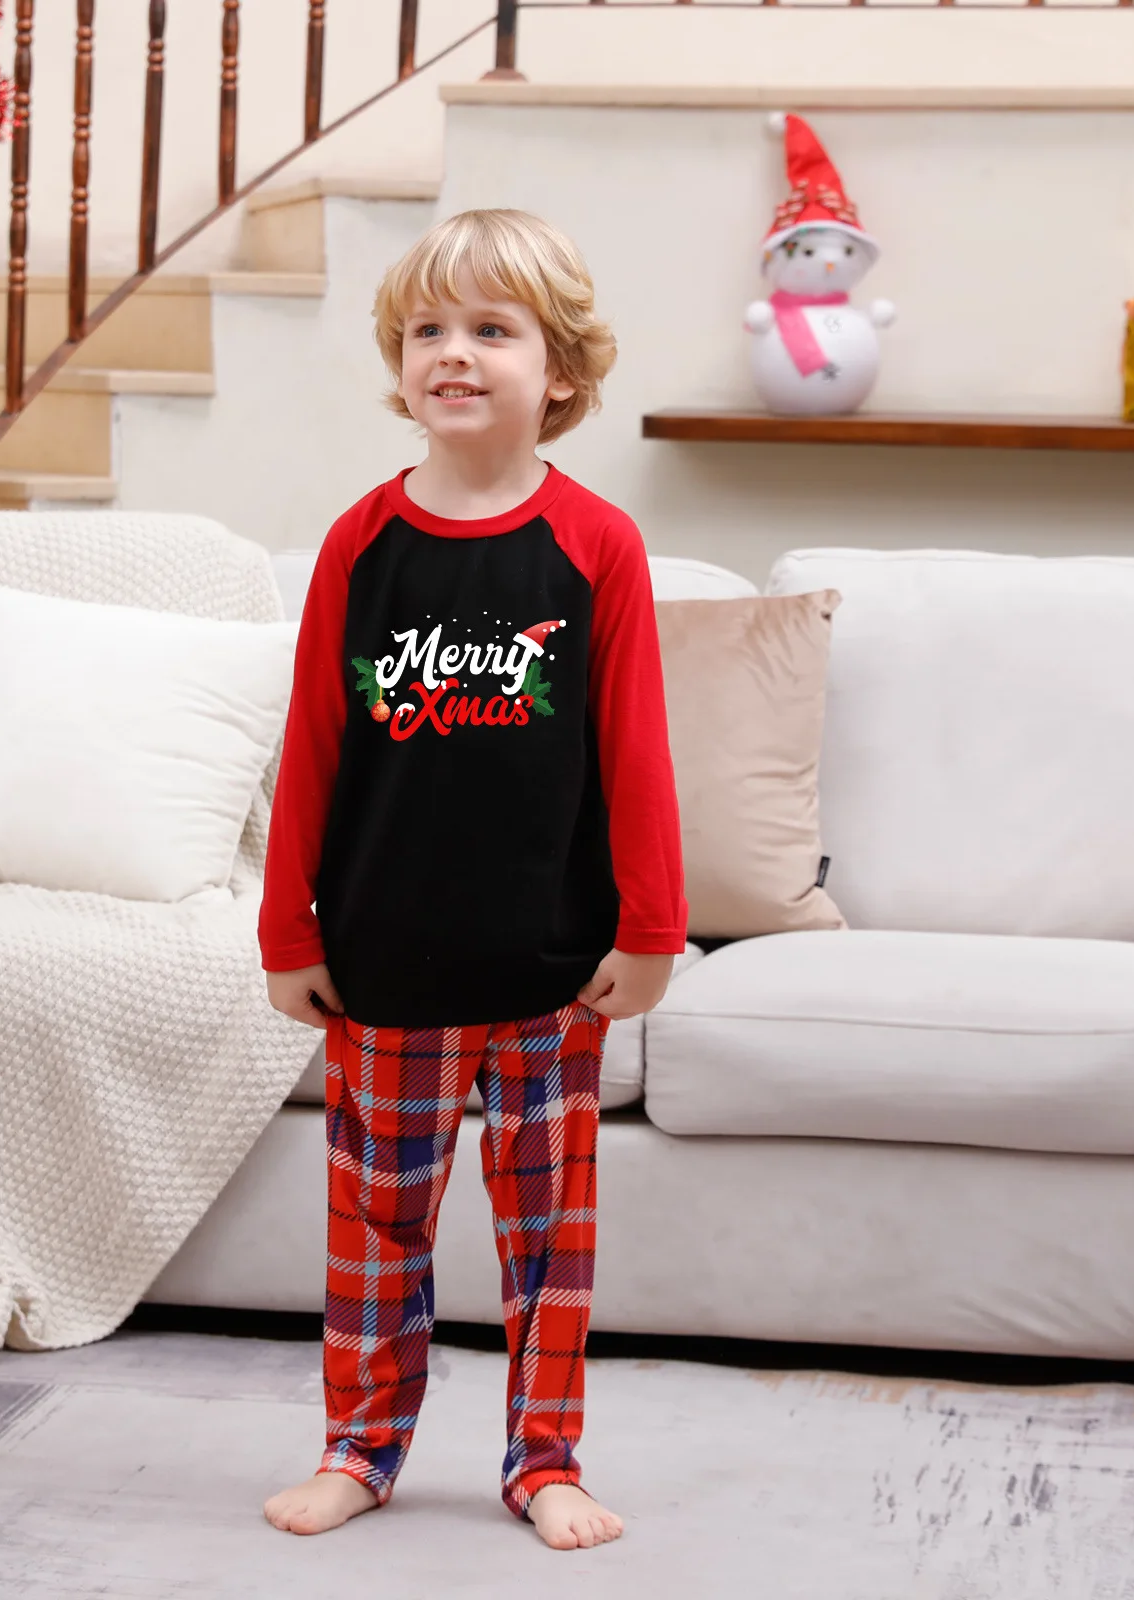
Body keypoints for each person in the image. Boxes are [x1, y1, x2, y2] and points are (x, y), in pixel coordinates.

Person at [258, 208, 687, 1551]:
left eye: (491, 330)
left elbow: (635, 752)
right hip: (384, 969)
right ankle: (359, 1449)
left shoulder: (595, 546)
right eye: (428, 331)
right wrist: (289, 932)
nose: (453, 354)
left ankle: (543, 1461)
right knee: (374, 1240)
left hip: (553, 975)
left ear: (555, 370)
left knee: (547, 1251)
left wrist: (654, 929)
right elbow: (312, 752)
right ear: (400, 363)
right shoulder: (357, 545)